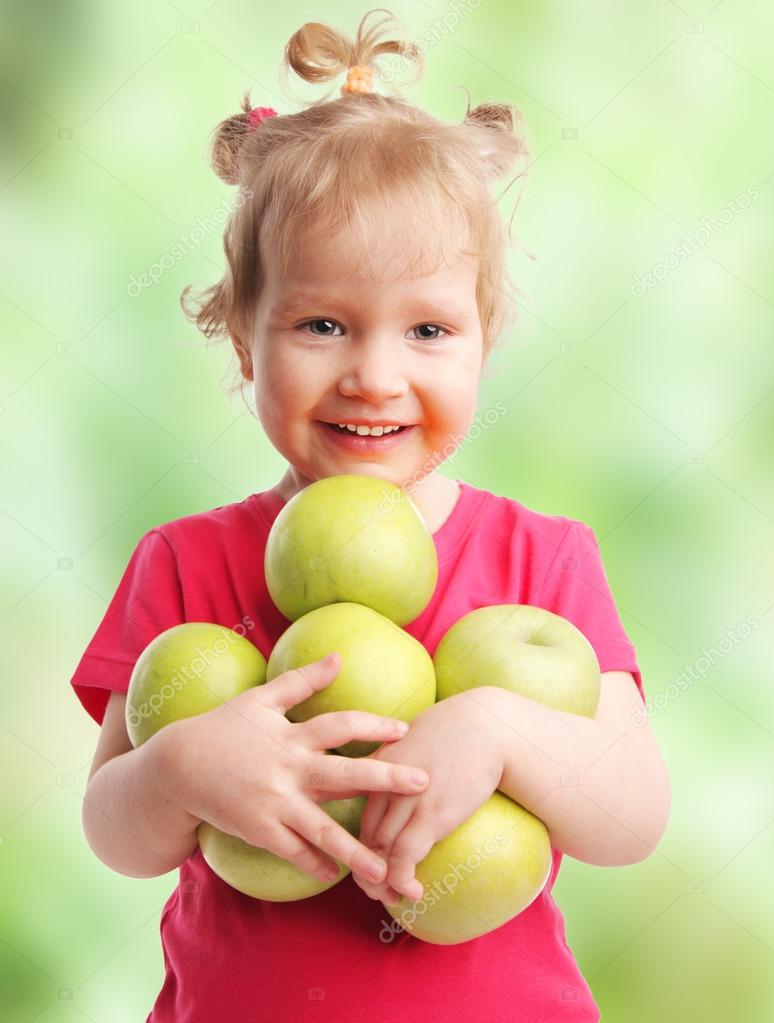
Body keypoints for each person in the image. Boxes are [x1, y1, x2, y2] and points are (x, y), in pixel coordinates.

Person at [70, 9, 671, 1022]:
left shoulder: (542, 560)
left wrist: (497, 726)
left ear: (485, 342)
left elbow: (632, 814)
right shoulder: (186, 564)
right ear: (244, 343)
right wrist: (180, 768)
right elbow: (113, 833)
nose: (374, 376)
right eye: (321, 324)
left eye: (429, 329)